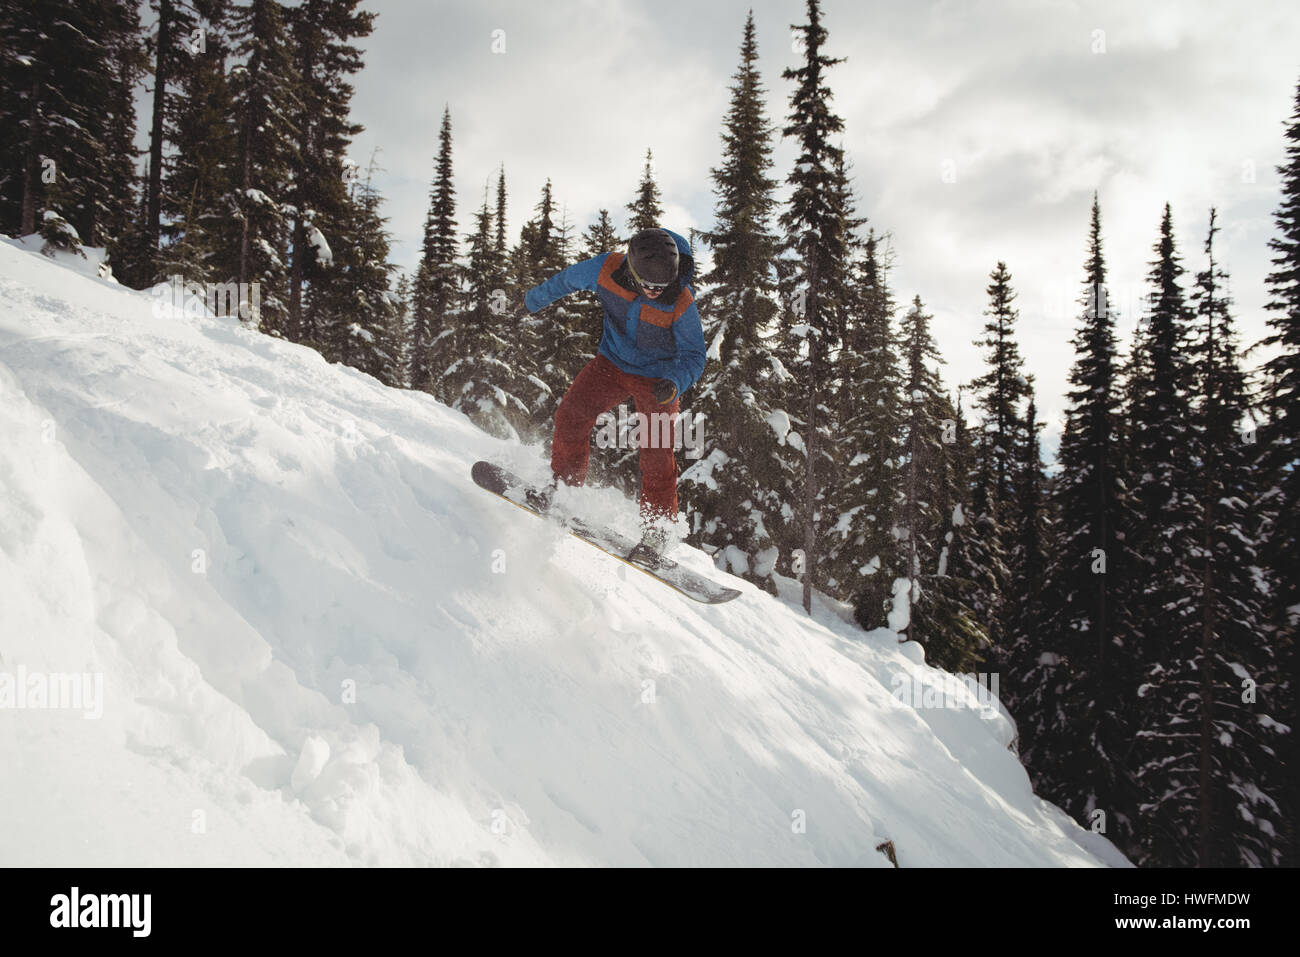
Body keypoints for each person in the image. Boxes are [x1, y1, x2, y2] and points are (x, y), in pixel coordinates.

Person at [516, 226, 706, 556]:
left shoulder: (681, 300)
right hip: (612, 363)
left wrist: (674, 382)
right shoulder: (605, 268)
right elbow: (565, 281)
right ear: (631, 268)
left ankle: (657, 533)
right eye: (647, 284)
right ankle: (563, 490)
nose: (654, 292)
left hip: (658, 379)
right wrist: (531, 302)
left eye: (661, 286)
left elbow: (695, 355)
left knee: (657, 450)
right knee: (571, 414)